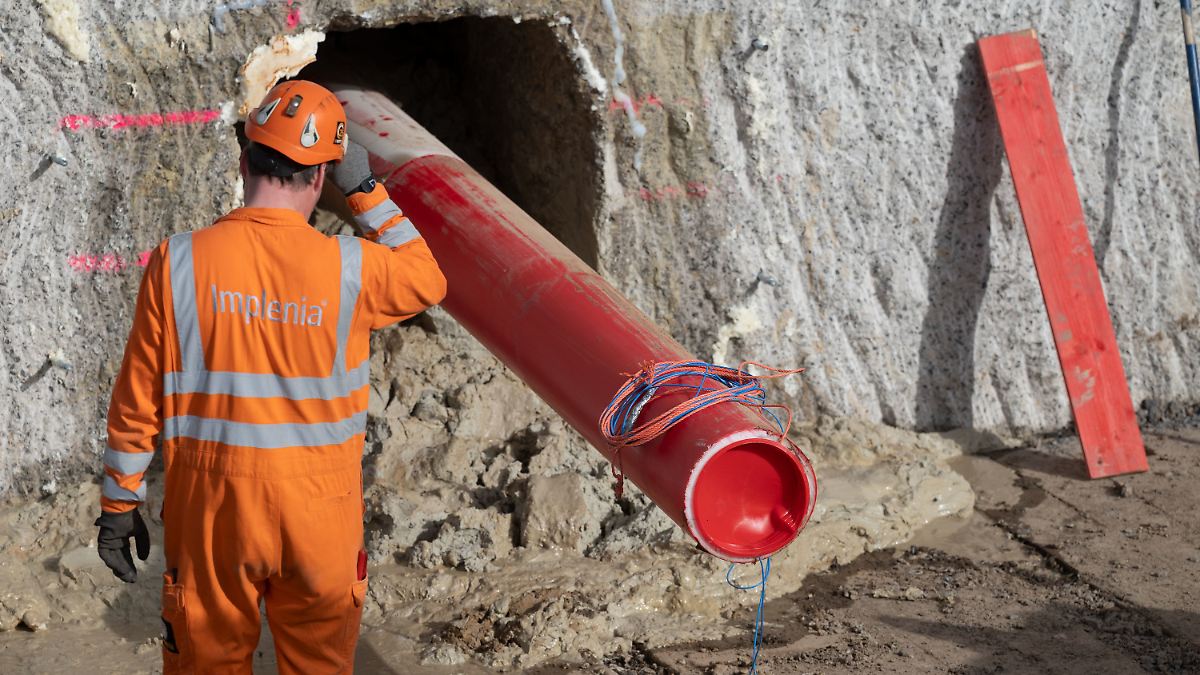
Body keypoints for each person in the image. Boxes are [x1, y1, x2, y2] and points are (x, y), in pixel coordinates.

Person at [92, 79, 447, 673]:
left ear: (243, 161)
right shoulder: (351, 269)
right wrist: (363, 190)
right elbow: (427, 277)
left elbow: (137, 399)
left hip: (212, 512)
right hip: (320, 515)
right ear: (318, 178)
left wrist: (118, 504)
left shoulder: (177, 261)